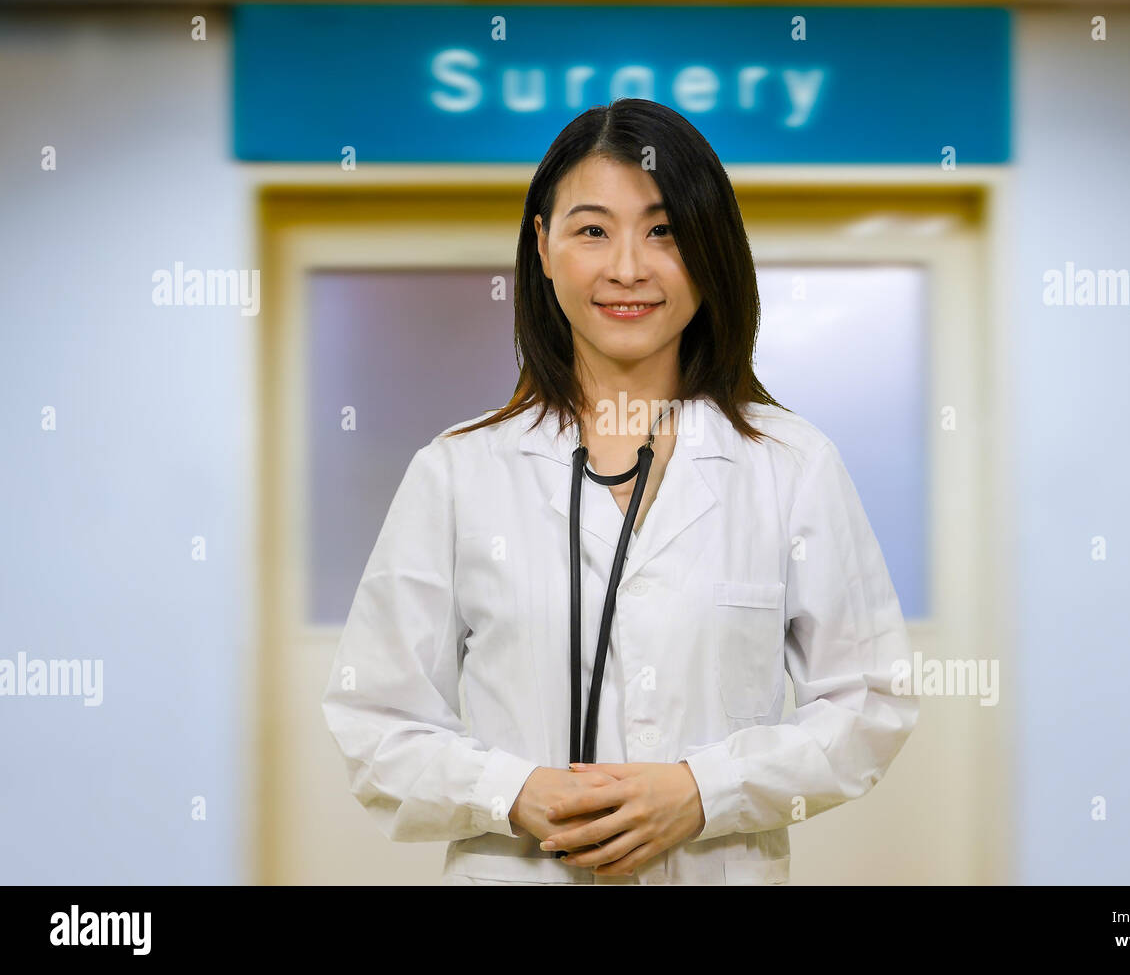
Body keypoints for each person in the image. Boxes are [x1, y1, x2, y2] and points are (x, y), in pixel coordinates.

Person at [321, 98, 918, 886]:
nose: (628, 268)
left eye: (664, 231)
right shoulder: (460, 472)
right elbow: (376, 717)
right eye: (592, 229)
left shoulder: (790, 466)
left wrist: (705, 792)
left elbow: (870, 701)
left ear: (710, 249)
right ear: (542, 246)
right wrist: (514, 793)